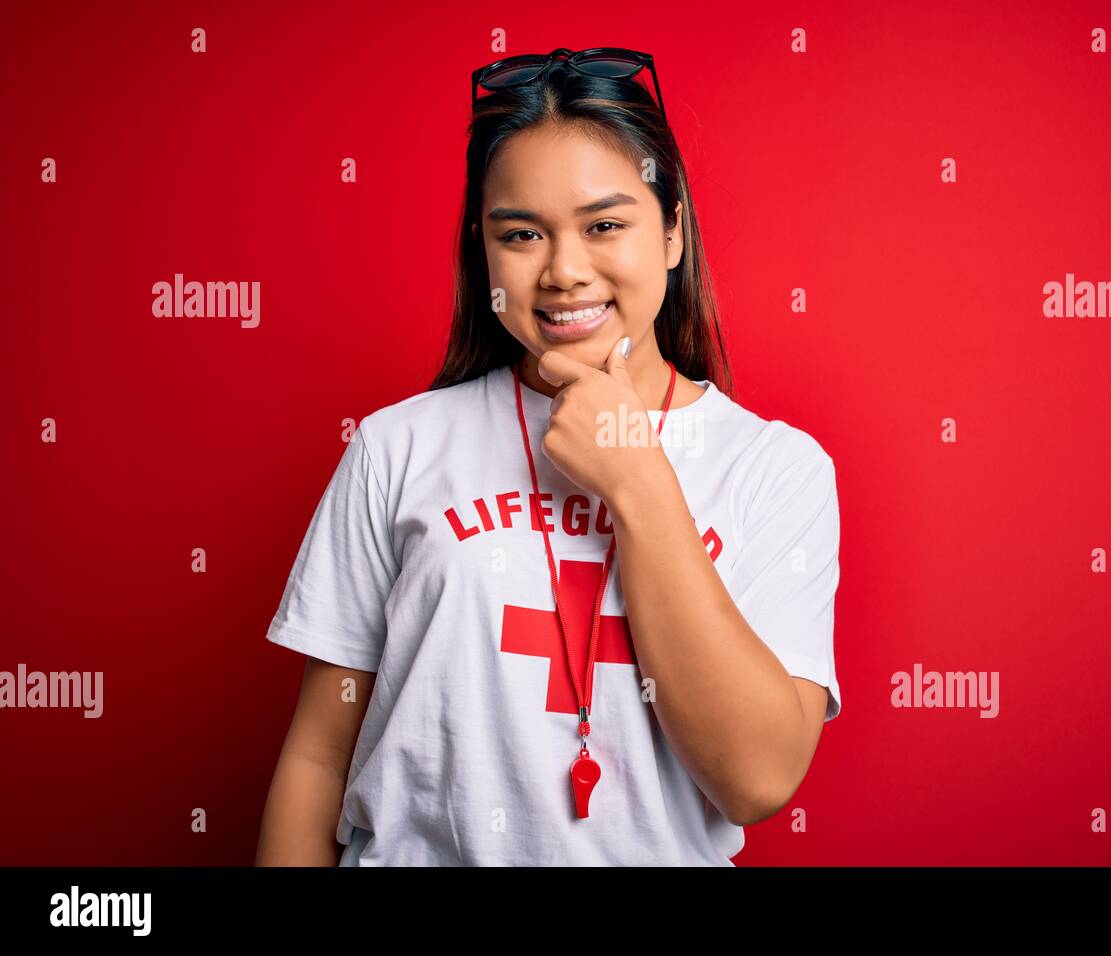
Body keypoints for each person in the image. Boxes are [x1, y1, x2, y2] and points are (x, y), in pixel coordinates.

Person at [255, 48, 841, 867]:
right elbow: (317, 759)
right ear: (483, 251)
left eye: (605, 225)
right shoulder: (399, 445)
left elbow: (756, 777)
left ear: (671, 232)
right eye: (522, 234)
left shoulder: (777, 469)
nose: (565, 272)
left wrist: (637, 480)